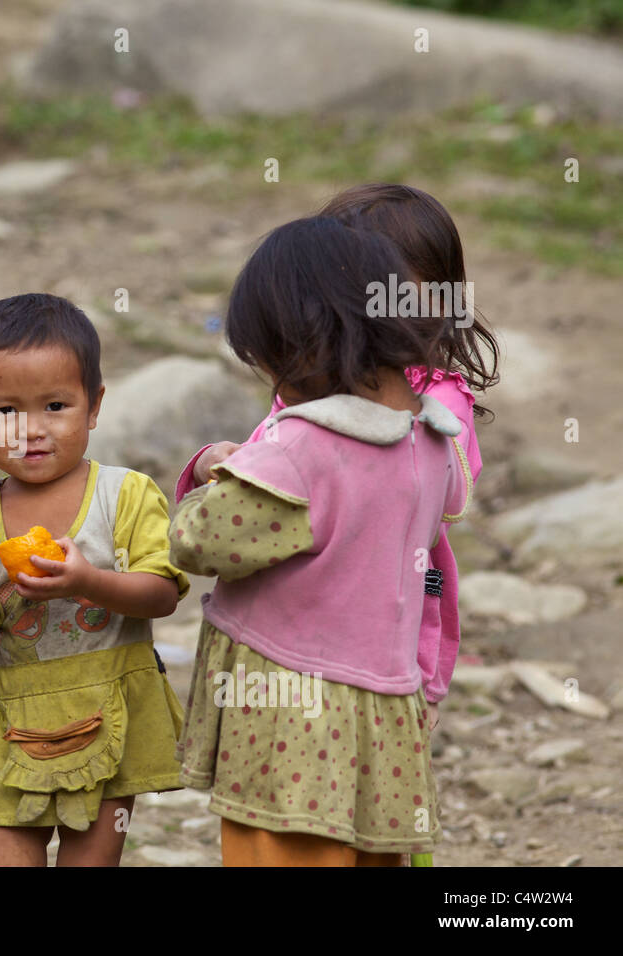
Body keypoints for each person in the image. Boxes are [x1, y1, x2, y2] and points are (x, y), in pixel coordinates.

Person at [168, 216, 472, 866]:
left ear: (304, 349)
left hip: (291, 725)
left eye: (271, 364)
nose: (274, 387)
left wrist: (211, 472)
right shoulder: (437, 443)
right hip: (386, 715)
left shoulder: (303, 450)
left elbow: (202, 542)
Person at [177, 184, 497, 726]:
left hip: (395, 573)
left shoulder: (438, 399)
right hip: (308, 586)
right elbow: (264, 471)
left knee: (385, 714)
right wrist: (217, 463)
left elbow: (449, 491)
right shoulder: (306, 384)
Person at [0, 293, 190, 867]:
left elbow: (162, 594)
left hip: (110, 720)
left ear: (94, 405)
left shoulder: (123, 495)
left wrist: (89, 581)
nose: (31, 431)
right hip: (11, 731)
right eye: (4, 412)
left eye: (55, 405)